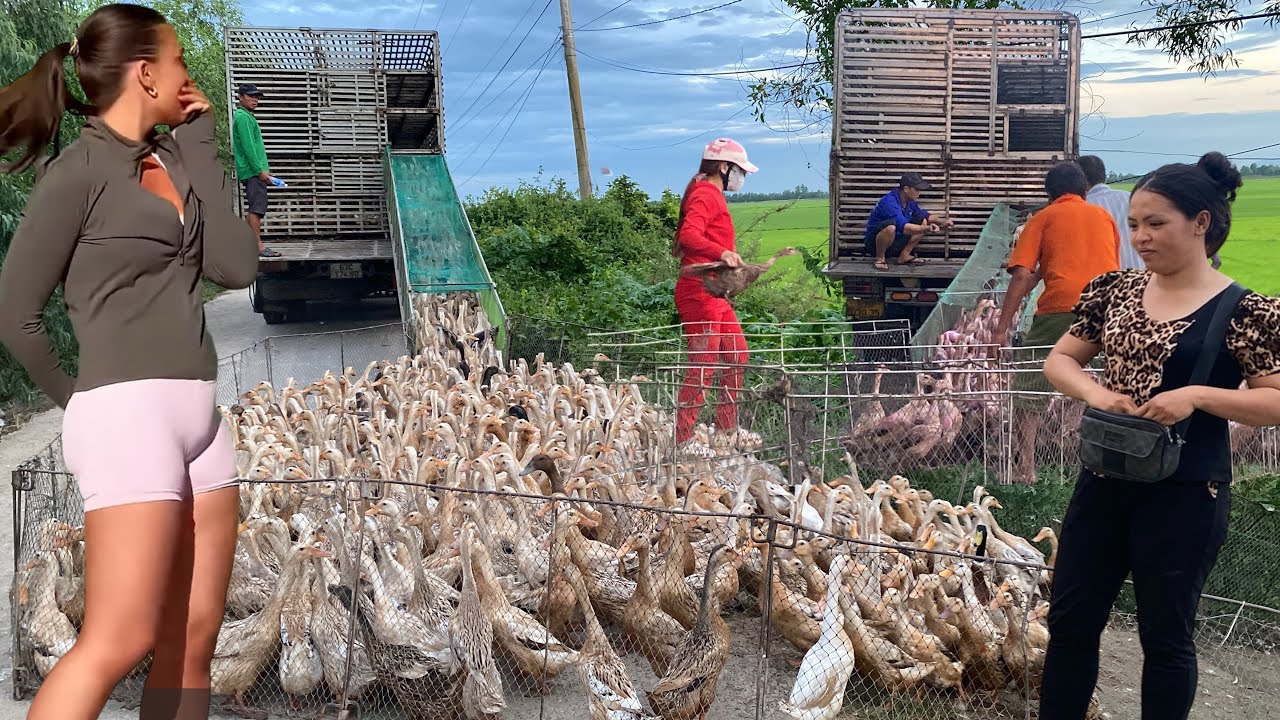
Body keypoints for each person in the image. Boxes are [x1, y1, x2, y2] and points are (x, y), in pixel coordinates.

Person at [0, 5, 259, 720]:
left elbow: (237, 266)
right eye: (177, 62)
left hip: (200, 424)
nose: (188, 77)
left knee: (192, 636)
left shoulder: (177, 158)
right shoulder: (76, 174)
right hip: (126, 421)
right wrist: (77, 399)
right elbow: (15, 316)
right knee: (120, 636)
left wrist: (203, 142)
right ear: (146, 75)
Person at [1038, 152, 1280, 719]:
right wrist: (1098, 394)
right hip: (1103, 480)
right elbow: (1060, 361)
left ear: (1201, 223)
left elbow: (1274, 400)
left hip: (1187, 491)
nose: (1141, 237)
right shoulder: (1115, 292)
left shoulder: (1245, 310)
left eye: (1156, 223)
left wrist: (1197, 396)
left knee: (1166, 637)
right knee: (1071, 624)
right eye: (1134, 225)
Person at [994, 162, 1120, 484]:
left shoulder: (1043, 218)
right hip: (1107, 307)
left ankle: (1027, 468)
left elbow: (1021, 273)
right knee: (1111, 382)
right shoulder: (1103, 218)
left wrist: (1001, 327)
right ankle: (1114, 462)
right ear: (1084, 190)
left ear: (1049, 193)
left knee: (1030, 388)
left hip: (1060, 309)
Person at [672, 138, 762, 458]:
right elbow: (689, 236)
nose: (742, 177)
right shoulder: (705, 193)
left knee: (737, 354)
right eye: (740, 171)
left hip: (714, 291)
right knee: (704, 364)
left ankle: (726, 429)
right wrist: (722, 252)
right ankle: (683, 439)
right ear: (723, 167)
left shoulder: (708, 192)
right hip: (699, 290)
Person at [863, 172, 954, 271]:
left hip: (895, 242)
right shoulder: (889, 202)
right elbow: (904, 228)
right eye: (916, 189)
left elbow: (925, 215)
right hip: (875, 245)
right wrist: (927, 229)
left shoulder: (909, 202)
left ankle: (904, 255)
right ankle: (880, 258)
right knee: (890, 227)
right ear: (906, 189)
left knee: (922, 220)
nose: (919, 193)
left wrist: (942, 222)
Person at [232, 82, 281, 258]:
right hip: (253, 172)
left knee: (256, 208)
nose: (255, 99)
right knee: (256, 209)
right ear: (240, 97)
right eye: (251, 96)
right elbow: (248, 147)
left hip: (254, 171)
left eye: (256, 97)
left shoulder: (246, 116)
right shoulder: (243, 117)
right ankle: (258, 247)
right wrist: (260, 170)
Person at [1077, 155, 1144, 270]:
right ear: (1103, 176)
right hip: (1140, 275)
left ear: (1080, 180)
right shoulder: (1130, 198)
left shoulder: (1082, 207)